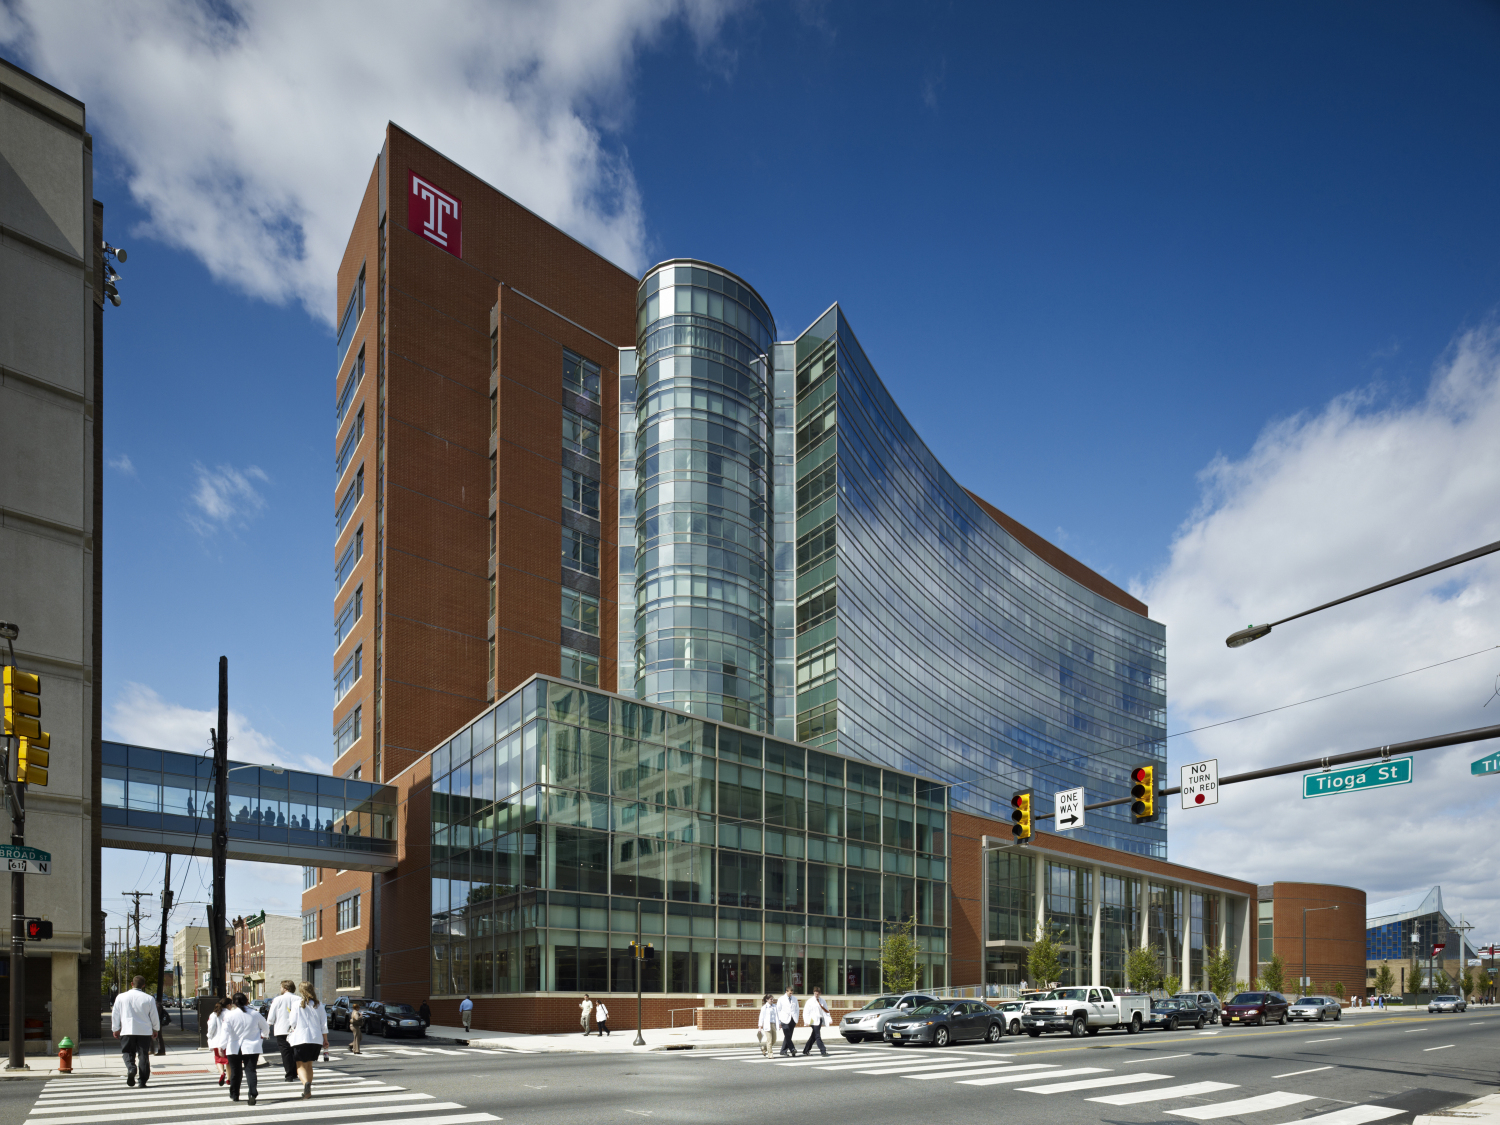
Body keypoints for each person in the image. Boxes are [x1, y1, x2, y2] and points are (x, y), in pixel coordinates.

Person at [111, 975, 161, 1088]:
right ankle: (142, 1081)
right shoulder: (149, 998)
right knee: (143, 1055)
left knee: (127, 1052)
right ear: (143, 985)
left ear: (132, 984)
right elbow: (154, 1015)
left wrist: (116, 1028)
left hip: (127, 1030)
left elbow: (115, 1014)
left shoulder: (121, 997)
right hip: (144, 1031)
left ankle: (131, 1068)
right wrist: (155, 1029)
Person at [222, 992, 271, 1105]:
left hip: (234, 1046)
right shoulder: (255, 1014)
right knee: (250, 1070)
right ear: (247, 1001)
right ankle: (252, 1093)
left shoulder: (229, 1015)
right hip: (251, 1046)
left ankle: (235, 1094)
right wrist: (263, 1036)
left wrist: (222, 1046)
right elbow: (266, 1028)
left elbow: (225, 1032)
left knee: (235, 1071)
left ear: (233, 1003)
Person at [286, 981, 330, 1100]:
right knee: (309, 1065)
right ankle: (308, 1092)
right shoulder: (319, 1005)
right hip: (315, 1039)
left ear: (301, 991)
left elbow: (292, 1022)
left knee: (300, 1065)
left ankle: (306, 1084)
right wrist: (325, 1039)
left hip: (300, 1038)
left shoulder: (296, 1005)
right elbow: (323, 1024)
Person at [267, 980, 299, 1082]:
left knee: (285, 1052)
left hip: (281, 1029)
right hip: (296, 1028)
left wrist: (268, 1025)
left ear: (285, 988)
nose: (280, 989)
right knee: (294, 1051)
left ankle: (289, 1074)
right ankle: (295, 1073)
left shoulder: (277, 999)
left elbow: (271, 1015)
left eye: (281, 987)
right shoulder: (299, 999)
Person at [801, 986, 831, 1056]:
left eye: (817, 994)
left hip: (819, 1019)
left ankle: (806, 1050)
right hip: (812, 1019)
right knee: (817, 1035)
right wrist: (806, 1021)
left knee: (814, 1035)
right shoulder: (810, 1001)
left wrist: (829, 1019)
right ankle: (823, 1050)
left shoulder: (822, 1001)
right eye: (815, 994)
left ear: (820, 993)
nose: (816, 995)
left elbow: (826, 1011)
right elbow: (806, 1012)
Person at [207, 998, 230, 1085]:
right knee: (228, 1061)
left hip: (216, 1040)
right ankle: (228, 1078)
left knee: (218, 1059)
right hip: (228, 1041)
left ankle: (221, 1073)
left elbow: (211, 1027)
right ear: (228, 1005)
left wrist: (209, 1036)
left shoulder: (214, 1014)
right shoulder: (230, 1014)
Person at [775, 986, 800, 1057]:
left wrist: (796, 1019)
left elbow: (797, 1009)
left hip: (792, 1019)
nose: (791, 994)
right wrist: (779, 1021)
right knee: (787, 1035)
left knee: (789, 1035)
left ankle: (783, 1051)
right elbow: (778, 1010)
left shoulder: (794, 999)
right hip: (784, 1019)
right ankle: (792, 1049)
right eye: (789, 993)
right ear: (786, 991)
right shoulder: (781, 999)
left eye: (792, 993)